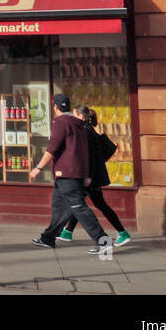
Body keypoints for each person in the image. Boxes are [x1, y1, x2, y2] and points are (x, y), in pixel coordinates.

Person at [30, 93, 110, 253]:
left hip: (67, 174)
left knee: (79, 207)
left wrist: (38, 167)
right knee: (60, 208)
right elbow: (84, 151)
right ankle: (48, 238)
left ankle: (103, 242)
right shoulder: (78, 123)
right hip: (72, 174)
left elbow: (52, 148)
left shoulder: (60, 122)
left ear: (55, 107)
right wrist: (86, 174)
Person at [57, 107, 131, 246]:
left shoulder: (85, 131)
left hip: (90, 176)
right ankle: (67, 232)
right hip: (90, 175)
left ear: (81, 116)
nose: (72, 118)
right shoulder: (87, 129)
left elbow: (88, 156)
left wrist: (87, 176)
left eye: (74, 115)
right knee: (79, 203)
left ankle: (122, 232)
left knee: (97, 204)